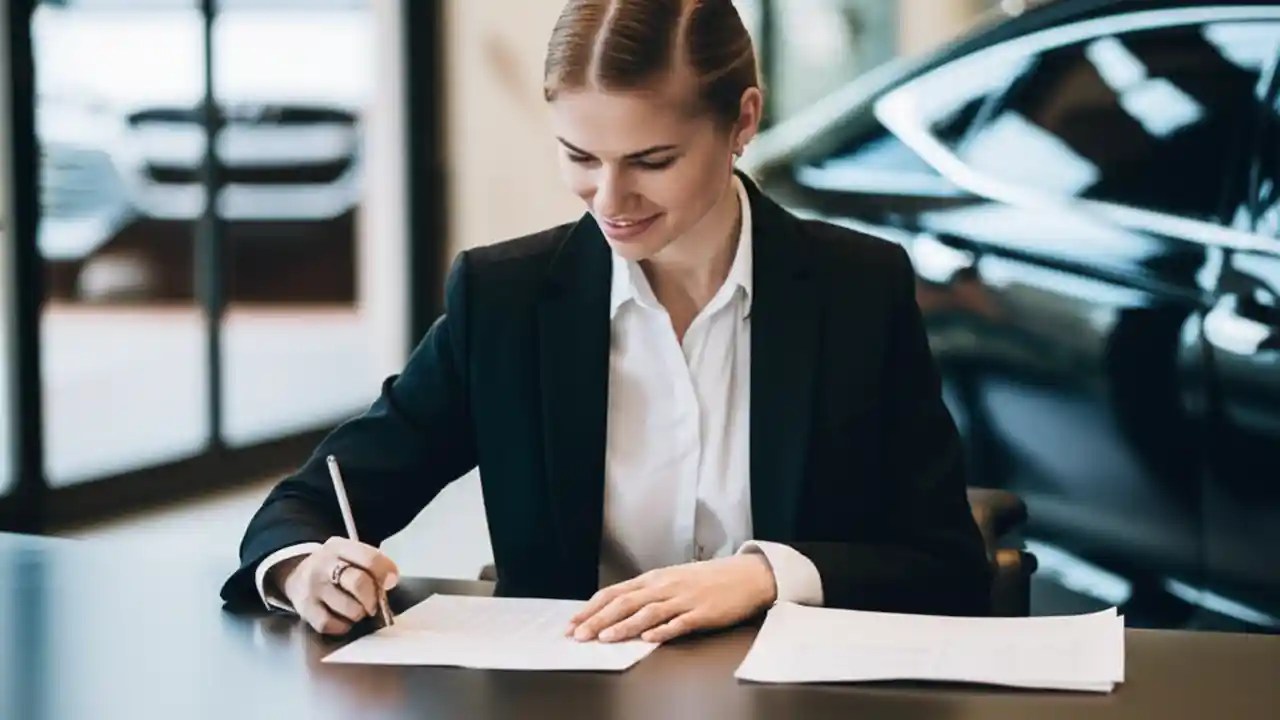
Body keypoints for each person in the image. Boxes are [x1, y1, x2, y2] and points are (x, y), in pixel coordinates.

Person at [220, 0, 991, 643]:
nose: (610, 199)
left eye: (652, 161)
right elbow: (311, 503)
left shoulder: (858, 287)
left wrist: (762, 576)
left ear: (742, 119)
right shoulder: (506, 299)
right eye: (580, 156)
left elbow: (948, 565)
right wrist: (304, 568)